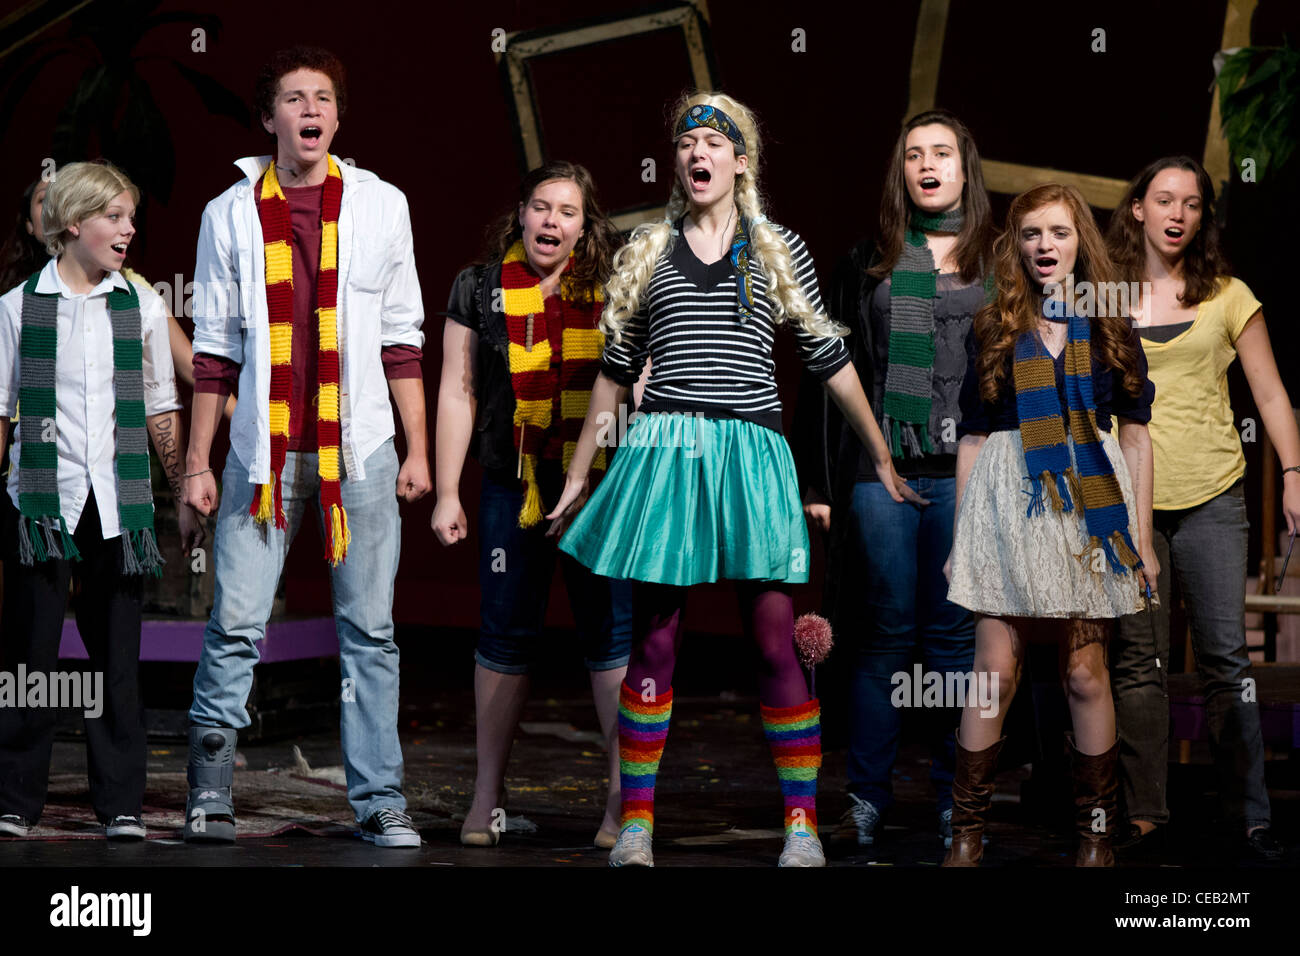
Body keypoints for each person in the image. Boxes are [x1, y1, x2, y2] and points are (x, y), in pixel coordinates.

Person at [550, 91, 921, 868]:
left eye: (714, 141)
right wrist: (580, 475)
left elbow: (829, 359)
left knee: (776, 640)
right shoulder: (649, 249)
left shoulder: (778, 247)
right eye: (687, 142)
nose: (698, 153)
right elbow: (615, 377)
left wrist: (882, 455)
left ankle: (800, 823)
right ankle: (640, 822)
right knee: (653, 639)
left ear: (740, 160)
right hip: (667, 451)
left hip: (752, 454)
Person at [181, 46, 430, 847]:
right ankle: (210, 793)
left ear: (336, 117)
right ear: (270, 118)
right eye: (294, 97)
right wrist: (197, 465)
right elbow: (214, 353)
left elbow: (402, 341)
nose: (310, 109)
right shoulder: (228, 212)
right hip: (264, 458)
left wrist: (418, 451)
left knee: (370, 632)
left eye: (322, 96)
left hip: (359, 450)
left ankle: (379, 798)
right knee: (236, 625)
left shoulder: (381, 206)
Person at [794, 109, 993, 849]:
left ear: (965, 167)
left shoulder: (998, 261)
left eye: (942, 152)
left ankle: (954, 799)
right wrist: (816, 483)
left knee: (952, 645)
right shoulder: (867, 262)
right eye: (914, 155)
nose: (928, 165)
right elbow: (826, 376)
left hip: (967, 477)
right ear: (901, 172)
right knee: (881, 639)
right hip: (883, 475)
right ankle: (867, 799)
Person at [943, 183, 1158, 867]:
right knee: (995, 673)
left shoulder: (1112, 324)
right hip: (1008, 500)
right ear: (1016, 244)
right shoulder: (995, 324)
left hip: (1089, 509)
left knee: (1086, 673)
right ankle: (968, 835)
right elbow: (973, 439)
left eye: (1059, 233)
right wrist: (961, 542)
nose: (1045, 246)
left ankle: (1096, 836)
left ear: (1079, 242)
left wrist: (1142, 541)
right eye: (1032, 234)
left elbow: (1136, 436)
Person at [433, 160, 634, 848]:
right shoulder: (479, 286)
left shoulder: (614, 289)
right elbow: (457, 392)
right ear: (520, 212)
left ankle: (622, 800)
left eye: (568, 211)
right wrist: (447, 490)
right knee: (504, 637)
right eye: (542, 207)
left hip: (600, 483)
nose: (552, 221)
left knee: (610, 638)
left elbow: (638, 382)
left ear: (586, 224)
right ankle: (487, 794)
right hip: (511, 487)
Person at [0, 160, 202, 839]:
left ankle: (119, 802)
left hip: (119, 501)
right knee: (30, 655)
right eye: (114, 217)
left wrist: (180, 488)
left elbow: (161, 404)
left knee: (116, 655)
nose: (128, 229)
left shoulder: (138, 303)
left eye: (131, 217)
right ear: (74, 224)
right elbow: (2, 413)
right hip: (41, 502)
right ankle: (15, 800)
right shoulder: (17, 307)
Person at [1106, 156, 1297, 862]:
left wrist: (1298, 476)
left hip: (1213, 495)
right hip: (1130, 505)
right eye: (1164, 200)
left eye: (1191, 203)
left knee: (1226, 659)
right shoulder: (1104, 297)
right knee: (1139, 661)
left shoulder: (1228, 295)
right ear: (1138, 210)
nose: (1177, 214)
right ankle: (1146, 817)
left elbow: (1271, 395)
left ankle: (1250, 817)